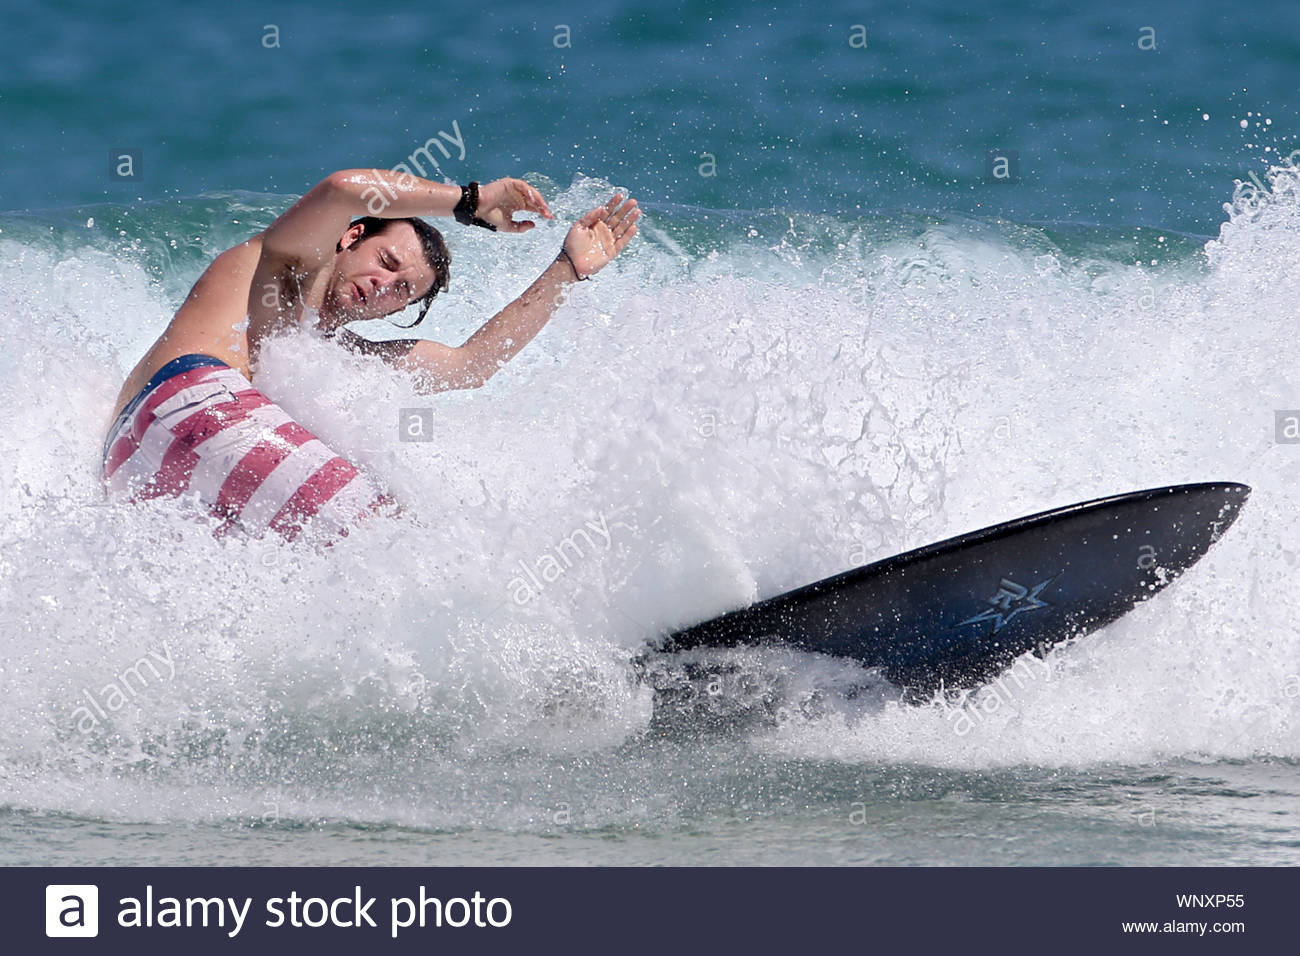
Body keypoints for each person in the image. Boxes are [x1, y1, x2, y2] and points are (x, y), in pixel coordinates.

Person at [101, 170, 640, 541]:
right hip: (191, 401)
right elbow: (341, 190)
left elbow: (474, 364)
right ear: (351, 237)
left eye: (402, 290)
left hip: (133, 469)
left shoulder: (337, 354)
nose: (384, 285)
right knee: (391, 541)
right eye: (385, 261)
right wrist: (469, 201)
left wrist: (568, 270)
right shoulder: (283, 267)